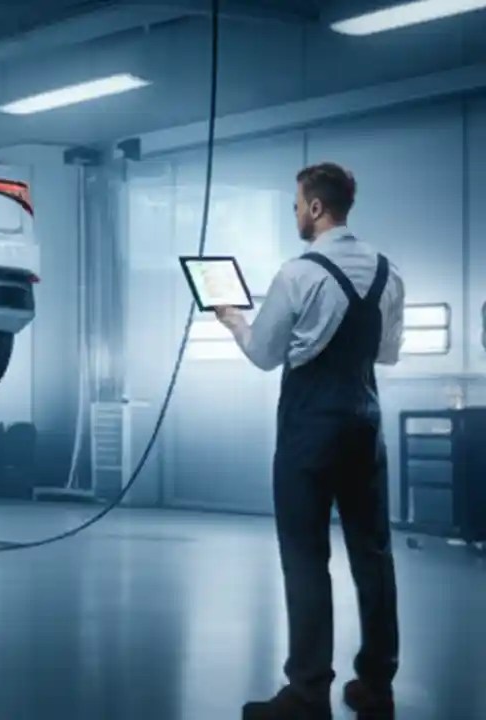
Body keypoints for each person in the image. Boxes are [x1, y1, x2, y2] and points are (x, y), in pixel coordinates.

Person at [214, 163, 403, 720]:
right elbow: (386, 354)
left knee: (305, 557)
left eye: (297, 203)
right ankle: (376, 685)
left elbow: (265, 354)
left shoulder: (297, 274)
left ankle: (307, 692)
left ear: (316, 208)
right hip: (365, 424)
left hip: (308, 431)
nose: (295, 212)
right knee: (374, 556)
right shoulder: (390, 273)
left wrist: (234, 320)